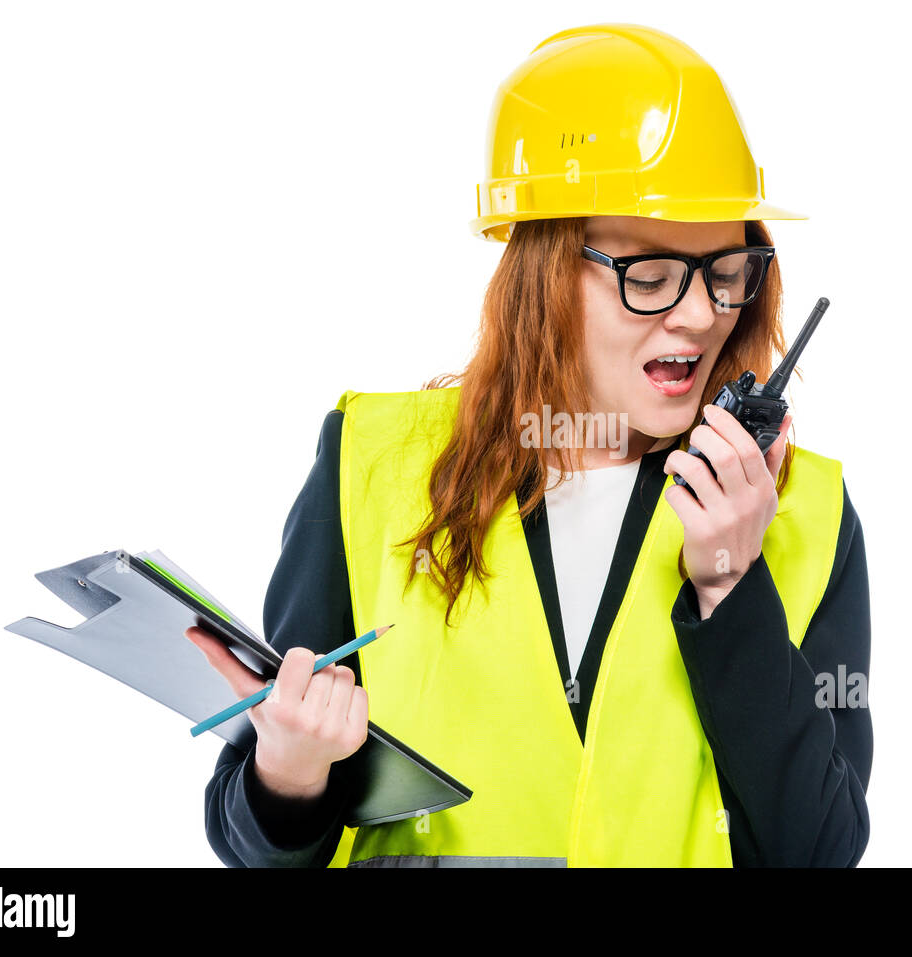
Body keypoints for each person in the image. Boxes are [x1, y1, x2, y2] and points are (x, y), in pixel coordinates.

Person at [187, 22, 872, 868]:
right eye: (649, 276)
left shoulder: (805, 512)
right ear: (542, 272)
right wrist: (289, 772)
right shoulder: (372, 465)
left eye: (727, 272)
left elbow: (823, 851)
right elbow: (251, 841)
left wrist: (732, 583)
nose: (700, 315)